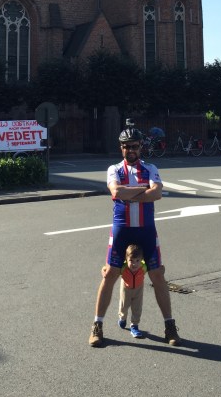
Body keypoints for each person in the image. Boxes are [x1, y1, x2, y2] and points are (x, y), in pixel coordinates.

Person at [89, 123, 181, 348]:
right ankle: (97, 326)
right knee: (110, 274)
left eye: (135, 146)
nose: (131, 150)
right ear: (121, 147)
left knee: (157, 275)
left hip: (146, 230)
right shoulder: (114, 169)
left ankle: (170, 326)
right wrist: (143, 190)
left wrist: (129, 195)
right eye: (126, 146)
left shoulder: (150, 168)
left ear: (141, 147)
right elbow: (116, 191)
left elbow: (156, 193)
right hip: (122, 229)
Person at [116, 244, 147, 338]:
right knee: (124, 306)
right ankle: (122, 318)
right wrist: (105, 269)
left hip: (138, 290)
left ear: (141, 260)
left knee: (137, 308)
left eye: (137, 260)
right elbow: (112, 270)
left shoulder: (143, 267)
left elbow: (155, 269)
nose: (134, 264)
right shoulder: (123, 268)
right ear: (126, 259)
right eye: (131, 260)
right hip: (126, 289)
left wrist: (161, 267)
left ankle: (134, 325)